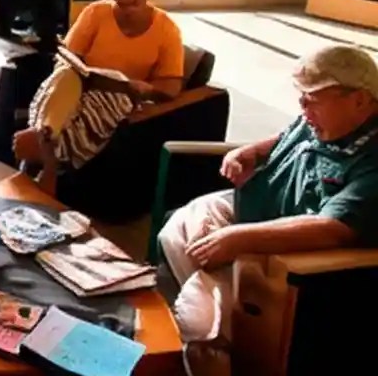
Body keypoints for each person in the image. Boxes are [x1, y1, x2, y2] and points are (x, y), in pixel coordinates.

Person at [159, 45, 378, 376]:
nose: (302, 109)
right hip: (254, 206)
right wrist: (251, 151)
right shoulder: (329, 119)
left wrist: (236, 238)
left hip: (285, 249)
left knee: (202, 320)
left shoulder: (372, 159)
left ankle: (213, 334)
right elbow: (289, 135)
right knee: (178, 229)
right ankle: (218, 310)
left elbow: (333, 228)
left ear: (359, 100)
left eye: (311, 99)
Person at [12, 0, 183, 194]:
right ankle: (46, 140)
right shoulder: (97, 12)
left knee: (90, 108)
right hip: (85, 79)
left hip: (122, 92)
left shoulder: (167, 29)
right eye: (118, 4)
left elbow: (172, 86)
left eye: (131, 5)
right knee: (63, 76)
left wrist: (148, 89)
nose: (123, 12)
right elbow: (68, 55)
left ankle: (39, 157)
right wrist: (75, 67)